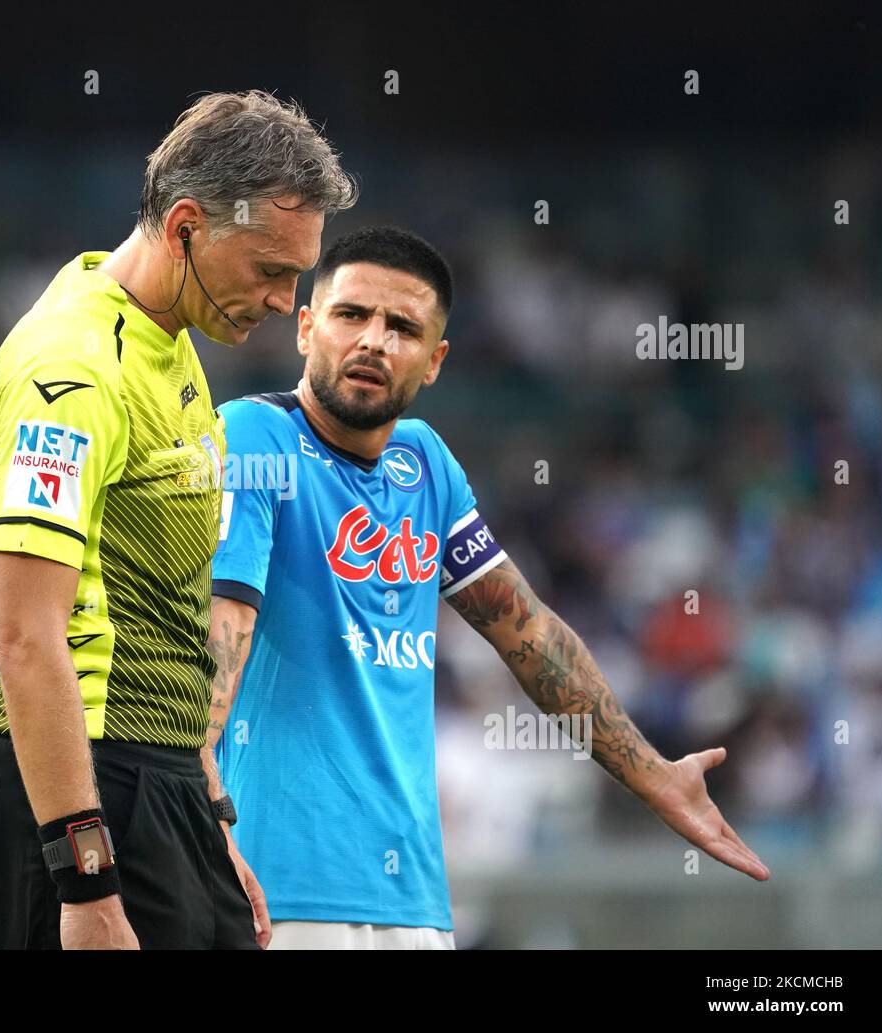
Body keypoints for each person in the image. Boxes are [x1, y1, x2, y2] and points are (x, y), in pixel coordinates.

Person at [206, 226, 770, 950]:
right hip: (278, 888)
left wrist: (653, 775)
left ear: (436, 361)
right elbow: (225, 625)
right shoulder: (255, 435)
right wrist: (207, 810)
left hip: (415, 899)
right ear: (307, 328)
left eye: (402, 327)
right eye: (352, 316)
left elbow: (526, 631)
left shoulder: (425, 462)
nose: (374, 341)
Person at [0, 90, 357, 949]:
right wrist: (86, 885)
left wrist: (209, 818)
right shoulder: (68, 373)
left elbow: (171, 613)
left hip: (164, 786)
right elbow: (26, 636)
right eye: (269, 270)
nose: (286, 301)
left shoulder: (168, 338)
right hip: (92, 790)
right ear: (185, 227)